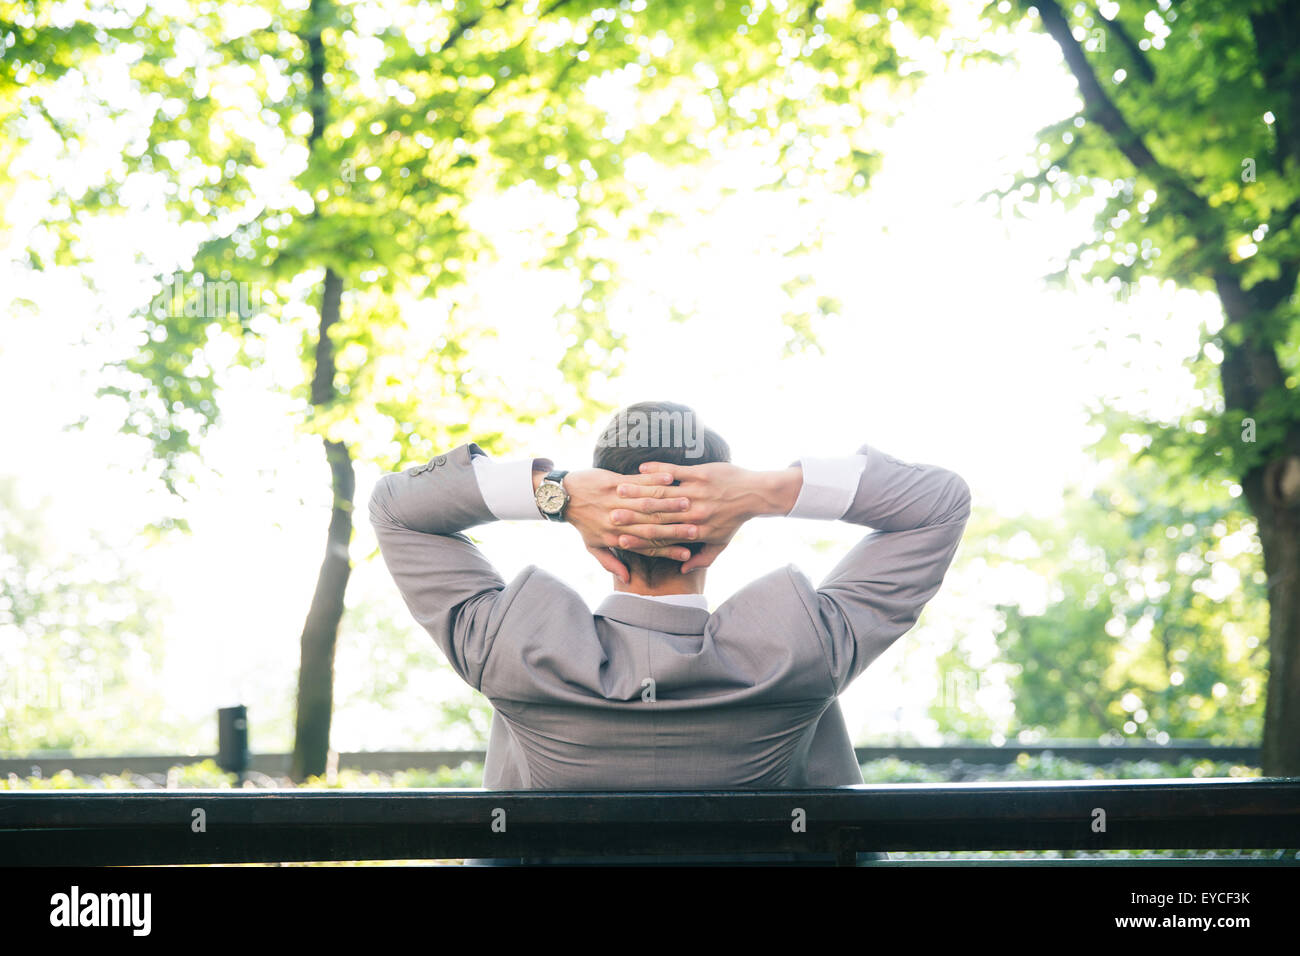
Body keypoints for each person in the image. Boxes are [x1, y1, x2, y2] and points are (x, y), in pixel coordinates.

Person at [368, 400, 971, 864]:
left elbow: (396, 509)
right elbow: (940, 503)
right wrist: (764, 490)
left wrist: (556, 494)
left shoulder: (511, 646)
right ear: (720, 536)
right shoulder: (803, 645)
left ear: (598, 535)